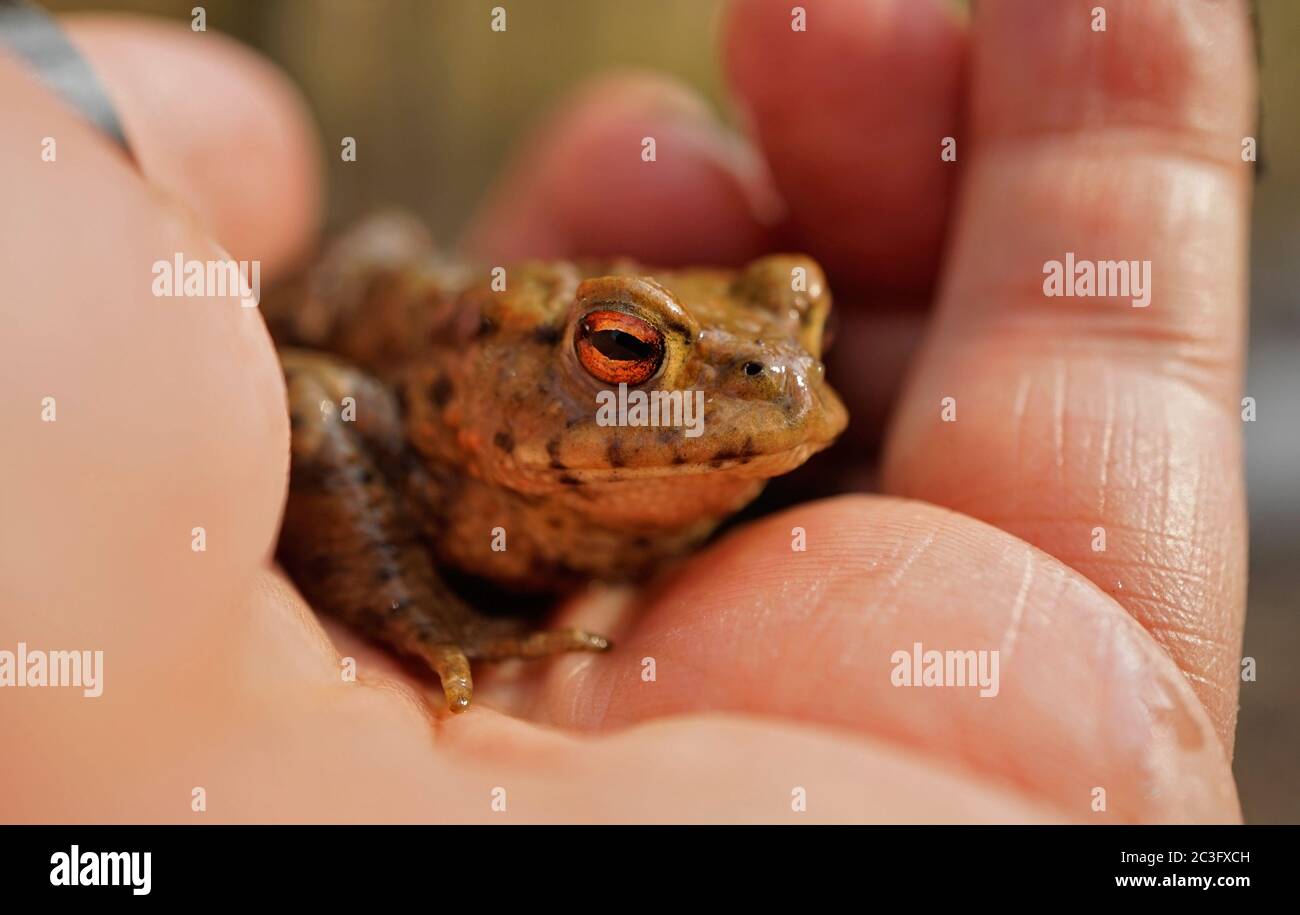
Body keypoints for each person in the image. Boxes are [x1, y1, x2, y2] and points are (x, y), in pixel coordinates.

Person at [0, 0, 1253, 823]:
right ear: (554, 359)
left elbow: (768, 382)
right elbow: (321, 399)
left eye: (800, 328)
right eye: (620, 353)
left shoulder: (746, 419)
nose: (778, 379)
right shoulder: (444, 408)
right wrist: (406, 600)